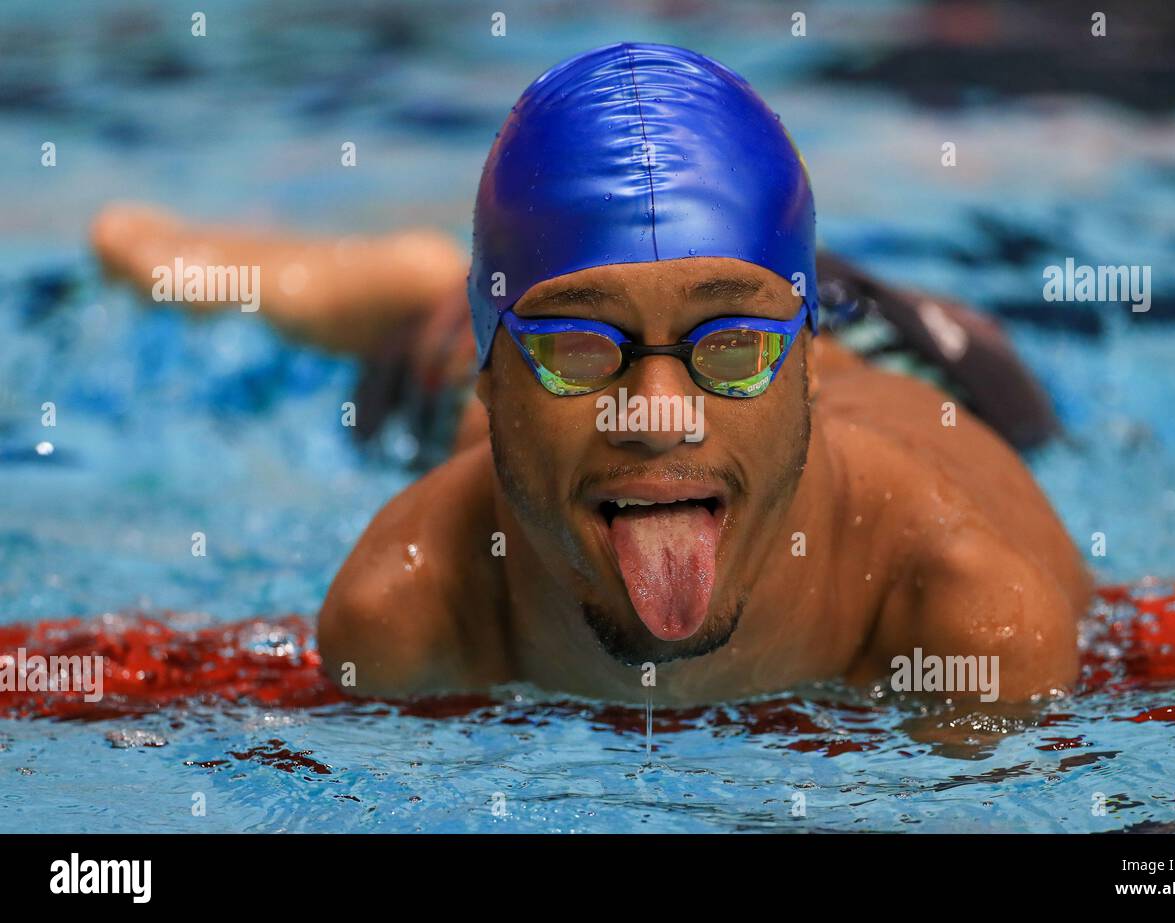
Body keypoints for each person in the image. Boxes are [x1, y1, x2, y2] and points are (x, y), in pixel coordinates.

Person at [92, 43, 1089, 706]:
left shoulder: (964, 621)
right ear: (495, 379)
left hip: (907, 352)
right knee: (424, 320)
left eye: (729, 347)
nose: (658, 418)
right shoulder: (412, 610)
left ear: (807, 367)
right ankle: (419, 290)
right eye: (580, 352)